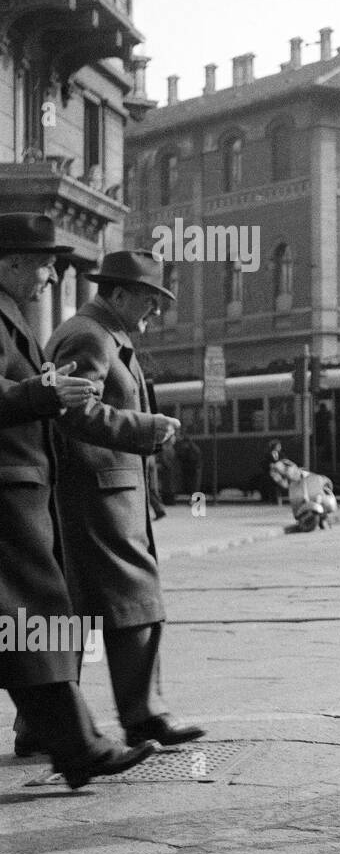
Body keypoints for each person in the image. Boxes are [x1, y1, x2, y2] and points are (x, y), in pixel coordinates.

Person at [0, 215, 158, 786]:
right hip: (9, 493)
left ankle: (71, 742)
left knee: (28, 621)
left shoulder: (15, 315)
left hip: (23, 492)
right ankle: (78, 744)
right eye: (44, 263)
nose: (50, 275)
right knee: (31, 617)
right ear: (11, 263)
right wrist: (42, 391)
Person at [47, 250, 206, 749]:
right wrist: (146, 428)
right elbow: (69, 409)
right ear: (118, 294)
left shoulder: (100, 335)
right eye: (149, 298)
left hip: (101, 492)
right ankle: (144, 716)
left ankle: (41, 727)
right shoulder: (88, 336)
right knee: (135, 601)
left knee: (76, 609)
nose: (155, 310)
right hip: (94, 495)